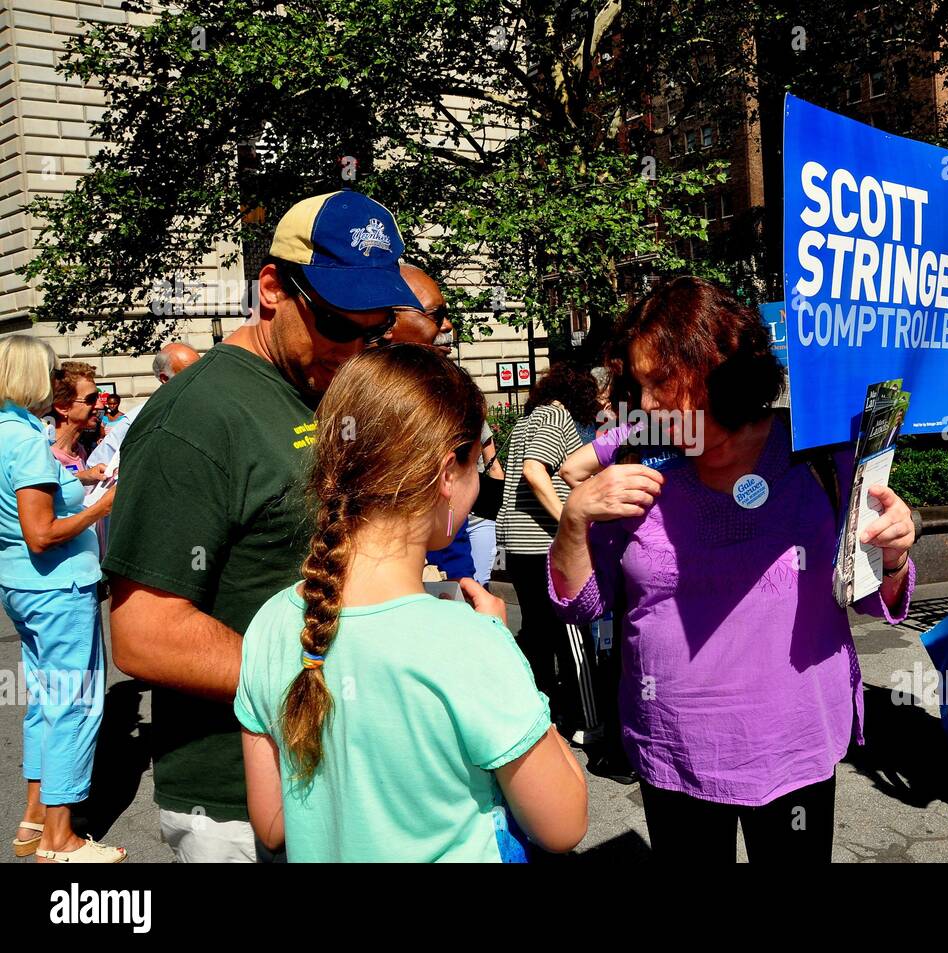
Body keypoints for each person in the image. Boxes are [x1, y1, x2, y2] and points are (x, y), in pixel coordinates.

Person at [549, 277, 916, 862]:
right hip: (671, 751)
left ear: (720, 368)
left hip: (791, 751)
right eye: (639, 385)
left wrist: (892, 554)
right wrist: (574, 522)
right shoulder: (637, 453)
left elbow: (875, 595)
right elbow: (582, 603)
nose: (645, 404)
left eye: (662, 382)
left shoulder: (819, 453)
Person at [103, 190, 421, 862]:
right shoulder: (195, 419)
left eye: (376, 329)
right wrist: (323, 681)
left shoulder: (320, 390)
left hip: (332, 776)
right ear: (272, 288)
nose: (355, 349)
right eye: (337, 323)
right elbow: (143, 635)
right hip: (238, 806)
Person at [236, 344, 587, 861]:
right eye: (476, 465)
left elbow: (272, 826)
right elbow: (564, 824)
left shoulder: (269, 623)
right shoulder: (469, 643)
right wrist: (502, 649)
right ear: (447, 474)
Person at [0, 335, 123, 862]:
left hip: (23, 587)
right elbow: (42, 533)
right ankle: (60, 838)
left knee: (47, 701)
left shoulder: (12, 433)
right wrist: (105, 505)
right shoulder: (27, 441)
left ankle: (34, 820)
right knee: (74, 702)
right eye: (50, 374)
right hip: (55, 587)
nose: (56, 385)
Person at [498, 361, 603, 740]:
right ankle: (589, 723)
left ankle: (538, 715)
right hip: (546, 543)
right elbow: (534, 470)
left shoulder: (528, 419)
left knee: (538, 633)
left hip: (519, 543)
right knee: (572, 633)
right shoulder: (556, 417)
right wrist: (568, 519)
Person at [393, 264, 504, 585]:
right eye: (435, 315)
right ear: (389, 322)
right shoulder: (365, 395)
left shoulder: (448, 387)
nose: (447, 326)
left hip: (451, 565)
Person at [87, 342, 200, 471]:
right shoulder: (136, 419)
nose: (199, 378)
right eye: (190, 373)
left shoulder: (207, 411)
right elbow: (96, 467)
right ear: (165, 379)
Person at [48, 362, 104, 485]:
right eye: (91, 399)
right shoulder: (45, 454)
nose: (101, 405)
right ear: (63, 407)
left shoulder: (79, 450)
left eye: (98, 398)